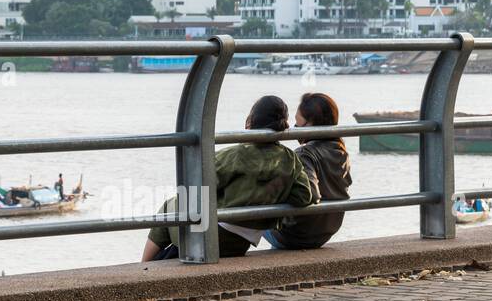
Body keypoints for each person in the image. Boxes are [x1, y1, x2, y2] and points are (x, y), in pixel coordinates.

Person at [140, 95, 314, 261]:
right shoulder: (290, 159)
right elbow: (304, 196)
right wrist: (272, 195)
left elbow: (196, 184)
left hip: (211, 236)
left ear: (250, 121)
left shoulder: (236, 155)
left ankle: (143, 268)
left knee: (168, 208)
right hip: (241, 243)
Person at [263, 93, 351, 250]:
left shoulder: (305, 154)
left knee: (249, 205)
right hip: (326, 231)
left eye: (297, 126)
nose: (295, 132)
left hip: (297, 234)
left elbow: (310, 194)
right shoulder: (341, 151)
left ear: (311, 124)